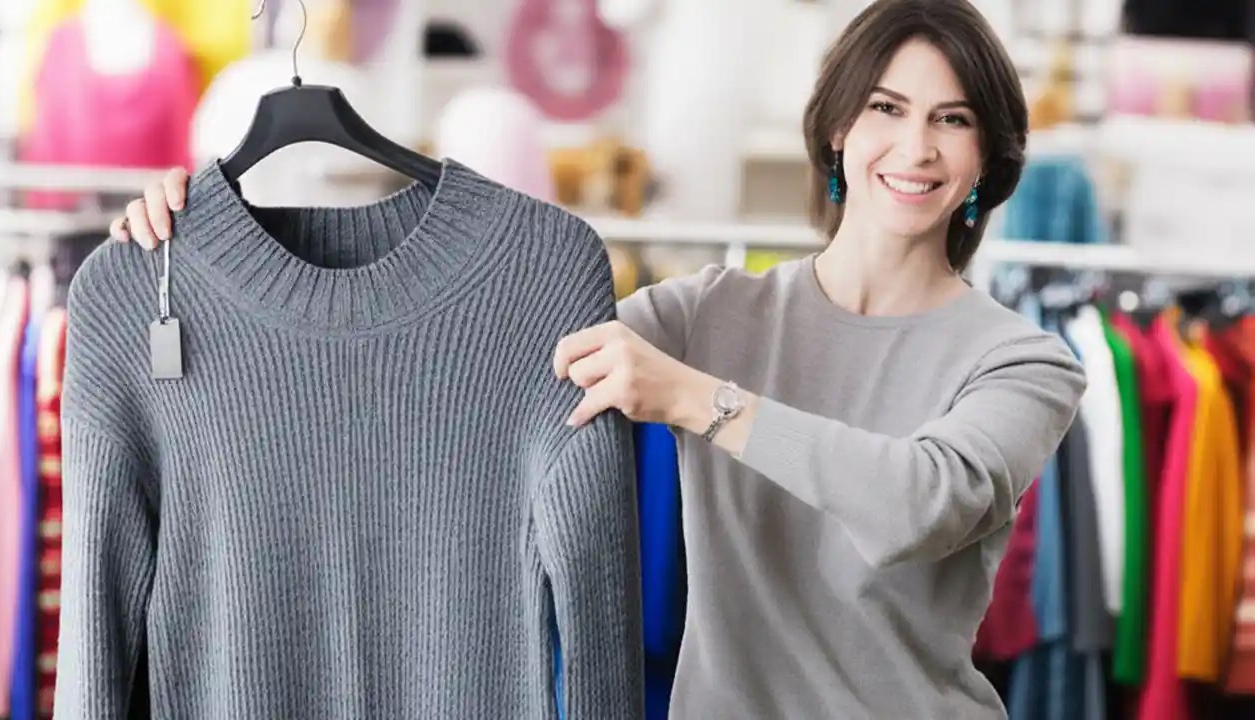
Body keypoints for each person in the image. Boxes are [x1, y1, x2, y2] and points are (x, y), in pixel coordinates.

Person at [109, 0, 1086, 716]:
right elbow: (444, 353)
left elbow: (920, 502)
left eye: (949, 119)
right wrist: (203, 250)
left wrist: (697, 400)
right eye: (885, 108)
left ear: (985, 160)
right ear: (836, 130)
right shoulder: (711, 311)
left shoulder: (1023, 361)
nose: (912, 146)